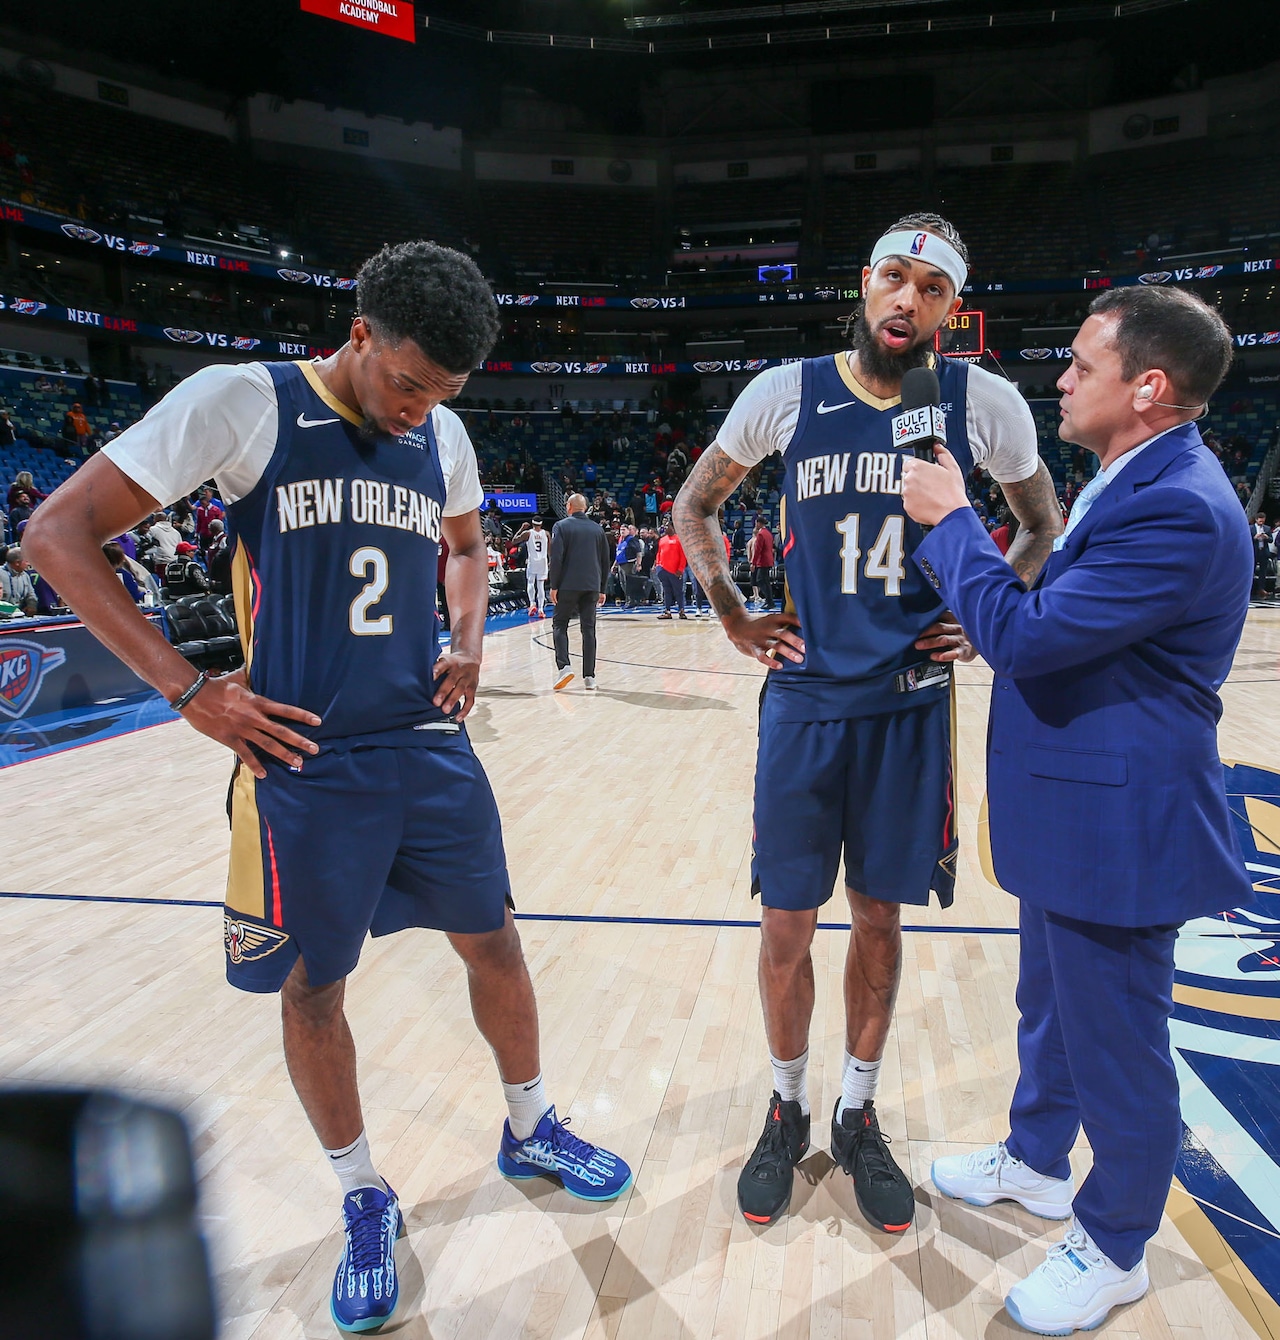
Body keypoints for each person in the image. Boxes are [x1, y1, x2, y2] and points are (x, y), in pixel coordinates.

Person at [23, 240, 631, 1336]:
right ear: (358, 334)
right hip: (300, 762)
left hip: (426, 745)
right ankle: (362, 1192)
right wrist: (186, 688)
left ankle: (531, 1125)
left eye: (441, 395)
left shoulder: (441, 433)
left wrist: (467, 639)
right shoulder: (243, 402)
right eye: (407, 383)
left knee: (496, 942)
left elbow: (464, 548)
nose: (418, 411)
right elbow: (55, 534)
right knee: (314, 989)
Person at [674, 211, 1063, 1234]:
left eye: (931, 290)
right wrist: (732, 613)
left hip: (908, 707)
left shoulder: (982, 403)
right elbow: (693, 506)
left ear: (951, 308)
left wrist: (985, 610)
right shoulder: (784, 392)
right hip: (804, 703)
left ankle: (855, 1111)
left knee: (880, 920)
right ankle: (784, 1106)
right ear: (864, 282)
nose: (908, 300)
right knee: (785, 923)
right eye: (894, 277)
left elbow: (1041, 523)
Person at [902, 285, 1252, 1336]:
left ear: (1147, 387)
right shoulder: (1132, 476)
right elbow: (1059, 622)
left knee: (1118, 1048)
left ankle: (1114, 1244)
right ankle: (1037, 1158)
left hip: (1122, 823)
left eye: (1081, 364)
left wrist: (953, 523)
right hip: (1080, 807)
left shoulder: (1178, 503)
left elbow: (1030, 639)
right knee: (1051, 1007)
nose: (1059, 379)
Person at [548, 492, 611, 691]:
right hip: (592, 585)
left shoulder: (561, 526)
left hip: (568, 585)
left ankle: (564, 667)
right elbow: (605, 561)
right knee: (589, 630)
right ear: (585, 508)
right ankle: (590, 677)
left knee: (559, 624)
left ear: (569, 506)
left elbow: (556, 558)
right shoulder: (597, 529)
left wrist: (554, 585)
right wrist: (602, 588)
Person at [512, 516, 550, 618]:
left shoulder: (528, 533)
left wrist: (521, 528)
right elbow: (550, 549)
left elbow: (514, 541)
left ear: (532, 523)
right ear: (541, 524)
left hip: (532, 561)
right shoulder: (546, 534)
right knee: (541, 585)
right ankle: (541, 609)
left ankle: (532, 603)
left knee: (530, 582)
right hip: (543, 561)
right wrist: (550, 560)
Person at [653, 522, 687, 620]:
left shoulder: (679, 539)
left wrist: (680, 569)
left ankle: (681, 611)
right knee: (666, 591)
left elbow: (683, 556)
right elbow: (659, 553)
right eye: (664, 526)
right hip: (663, 570)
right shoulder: (662, 539)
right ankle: (667, 611)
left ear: (673, 527)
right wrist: (658, 565)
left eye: (667, 526)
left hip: (675, 571)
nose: (665, 528)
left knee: (678, 592)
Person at [747, 517, 775, 610]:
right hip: (769, 559)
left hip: (763, 560)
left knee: (760, 580)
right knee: (765, 581)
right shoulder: (768, 533)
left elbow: (757, 550)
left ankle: (769, 600)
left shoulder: (761, 534)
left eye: (756, 523)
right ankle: (769, 601)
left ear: (759, 523)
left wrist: (753, 563)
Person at [0, 544, 37, 615]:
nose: (29, 564)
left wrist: (31, 605)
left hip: (18, 615)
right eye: (26, 561)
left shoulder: (25, 576)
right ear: (17, 563)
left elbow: (31, 594)